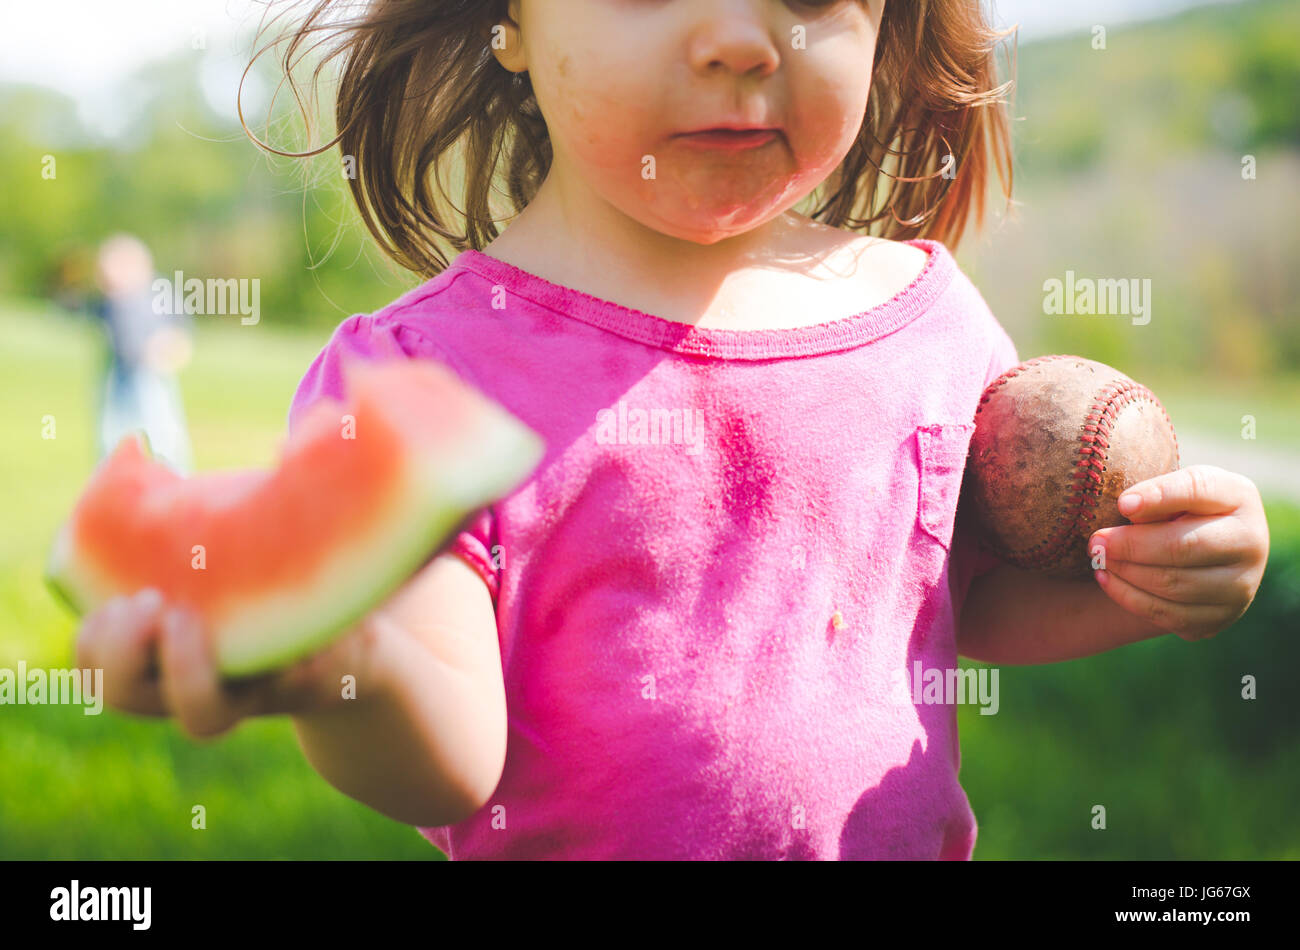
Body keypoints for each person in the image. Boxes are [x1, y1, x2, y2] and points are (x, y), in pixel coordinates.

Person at [75, 1, 1269, 860]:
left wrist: (1148, 576)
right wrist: (343, 664)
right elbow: (447, 760)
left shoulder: (931, 318)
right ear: (512, 20)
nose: (742, 38)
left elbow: (959, 601)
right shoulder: (419, 379)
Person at [92, 233, 194, 474]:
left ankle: (175, 478)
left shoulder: (158, 293)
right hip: (119, 374)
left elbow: (181, 333)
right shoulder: (112, 302)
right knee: (112, 434)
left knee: (163, 435)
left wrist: (166, 351)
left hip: (149, 375)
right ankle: (111, 480)